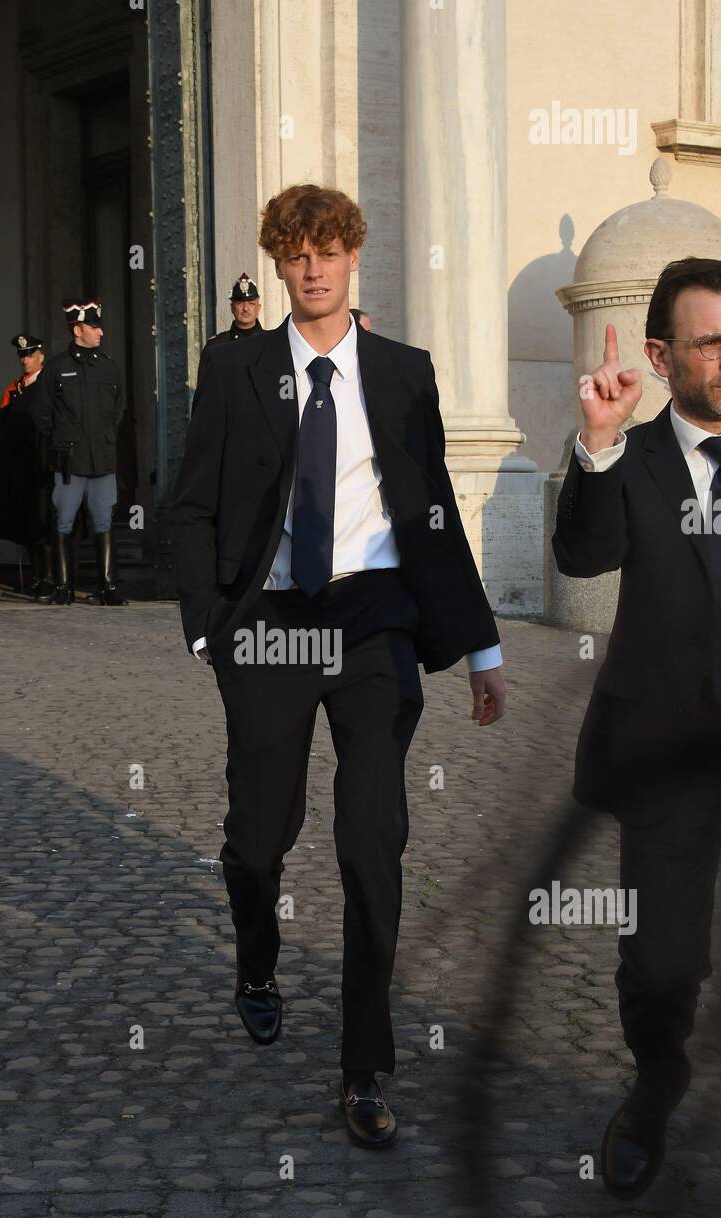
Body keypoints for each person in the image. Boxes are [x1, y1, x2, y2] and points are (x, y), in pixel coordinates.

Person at [172, 184, 505, 1147]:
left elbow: (433, 514)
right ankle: (257, 955)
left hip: (374, 620)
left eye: (328, 251)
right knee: (261, 838)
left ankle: (366, 1066)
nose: (312, 267)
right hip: (272, 623)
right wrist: (208, 628)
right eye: (295, 252)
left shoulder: (404, 373)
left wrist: (481, 647)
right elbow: (192, 506)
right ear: (278, 264)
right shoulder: (232, 369)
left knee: (371, 834)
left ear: (354, 258)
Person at [552, 256, 721, 1200]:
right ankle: (655, 1087)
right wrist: (598, 441)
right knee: (660, 966)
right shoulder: (634, 457)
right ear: (660, 356)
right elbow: (585, 554)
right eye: (710, 342)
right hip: (665, 749)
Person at [37, 297, 126, 606]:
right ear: (78, 330)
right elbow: (43, 414)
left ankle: (108, 586)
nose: (100, 332)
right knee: (64, 520)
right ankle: (63, 587)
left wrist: (103, 437)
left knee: (103, 521)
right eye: (94, 327)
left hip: (101, 459)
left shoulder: (110, 368)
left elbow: (118, 410)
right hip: (69, 462)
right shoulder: (57, 368)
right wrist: (62, 442)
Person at [0, 334, 53, 599]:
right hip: (18, 466)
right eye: (22, 355)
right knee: (24, 521)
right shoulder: (14, 389)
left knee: (43, 521)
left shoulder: (48, 385)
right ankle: (36, 574)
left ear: (41, 356)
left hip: (41, 464)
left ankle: (50, 576)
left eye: (30, 355)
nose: (25, 360)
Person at [199, 273, 263, 364]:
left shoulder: (271, 343)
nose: (245, 308)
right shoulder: (215, 347)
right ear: (232, 307)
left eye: (251, 304)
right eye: (240, 303)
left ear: (258, 308)